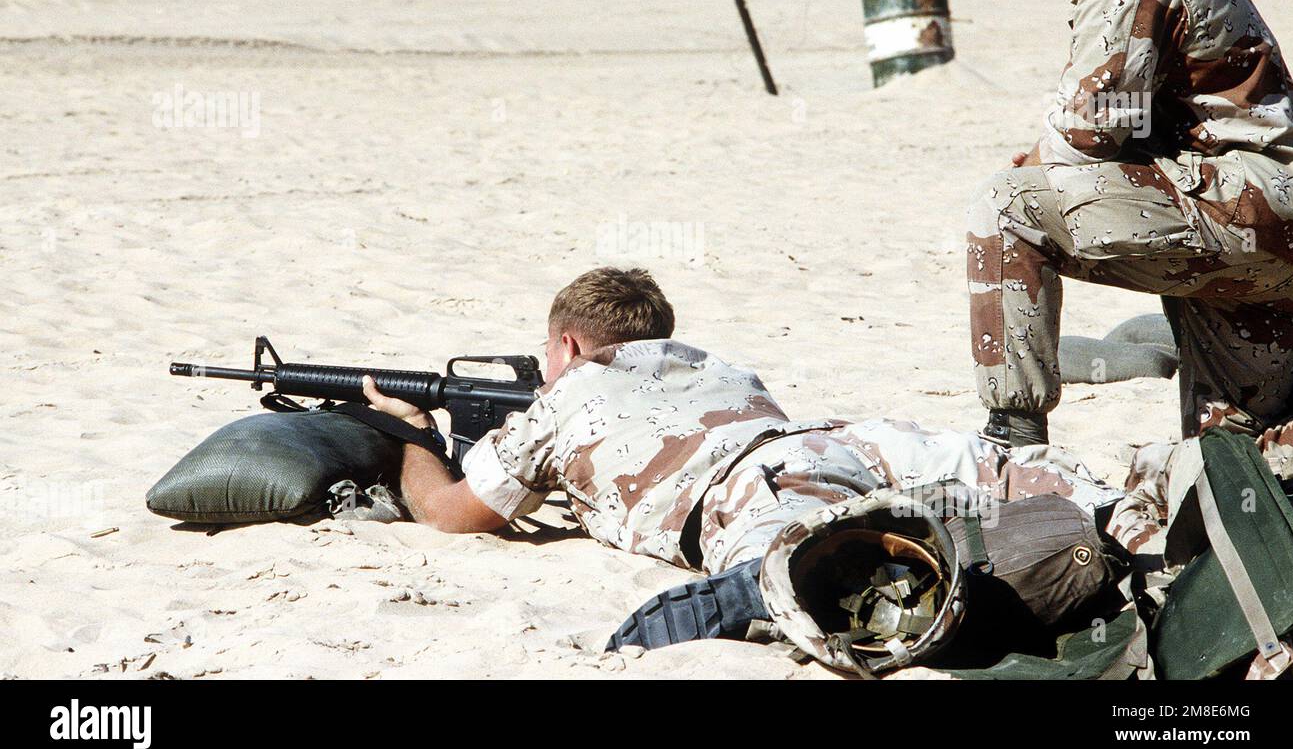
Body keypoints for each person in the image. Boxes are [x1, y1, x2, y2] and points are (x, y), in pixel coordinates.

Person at [361, 267, 1120, 579]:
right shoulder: (713, 364)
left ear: (567, 344)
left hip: (747, 495)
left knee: (813, 579)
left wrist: (412, 440)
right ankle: (1144, 502)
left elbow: (453, 515)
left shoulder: (568, 395)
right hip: (840, 441)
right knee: (1026, 478)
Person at [965, 0, 1293, 447]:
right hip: (1263, 220)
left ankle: (1010, 443)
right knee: (1234, 456)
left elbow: (1088, 134)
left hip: (1246, 206)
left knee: (1005, 209)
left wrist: (1031, 165)